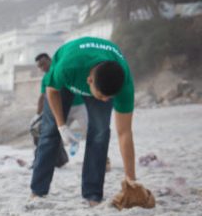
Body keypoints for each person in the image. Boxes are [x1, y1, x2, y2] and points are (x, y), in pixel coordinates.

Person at [30, 37, 149, 206]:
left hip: (100, 77)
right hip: (66, 78)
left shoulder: (123, 85)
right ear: (89, 81)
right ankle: (37, 191)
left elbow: (124, 133)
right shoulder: (67, 67)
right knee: (49, 133)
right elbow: (51, 91)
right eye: (102, 96)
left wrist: (131, 180)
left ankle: (92, 195)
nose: (105, 101)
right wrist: (61, 125)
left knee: (100, 133)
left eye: (110, 98)